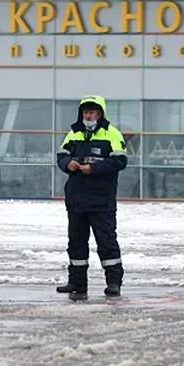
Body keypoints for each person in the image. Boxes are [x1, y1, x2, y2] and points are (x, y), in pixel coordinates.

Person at [55, 95, 129, 298]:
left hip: (101, 200)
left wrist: (94, 169)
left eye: (92, 112)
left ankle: (113, 283)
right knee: (76, 243)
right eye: (86, 112)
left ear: (100, 114)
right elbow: (61, 156)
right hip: (76, 200)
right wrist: (67, 164)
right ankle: (77, 283)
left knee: (107, 243)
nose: (88, 116)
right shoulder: (74, 133)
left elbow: (120, 161)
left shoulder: (112, 133)